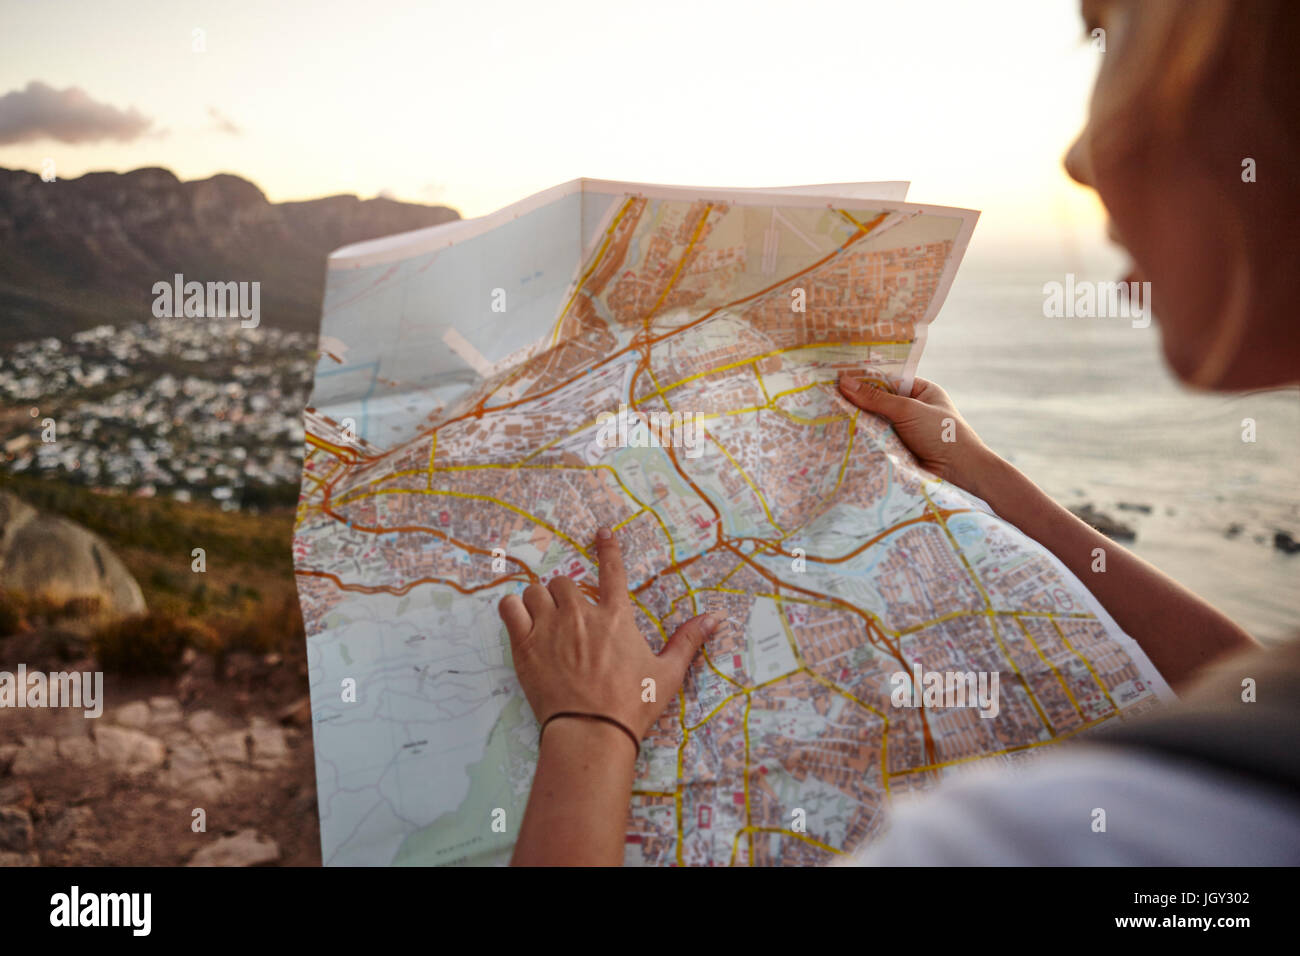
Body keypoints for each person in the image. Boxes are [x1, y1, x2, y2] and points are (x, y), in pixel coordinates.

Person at [499, 0, 1300, 866]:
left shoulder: (1063, 841)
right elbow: (1249, 689)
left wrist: (589, 723)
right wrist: (979, 470)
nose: (1079, 158)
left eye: (1122, 35)